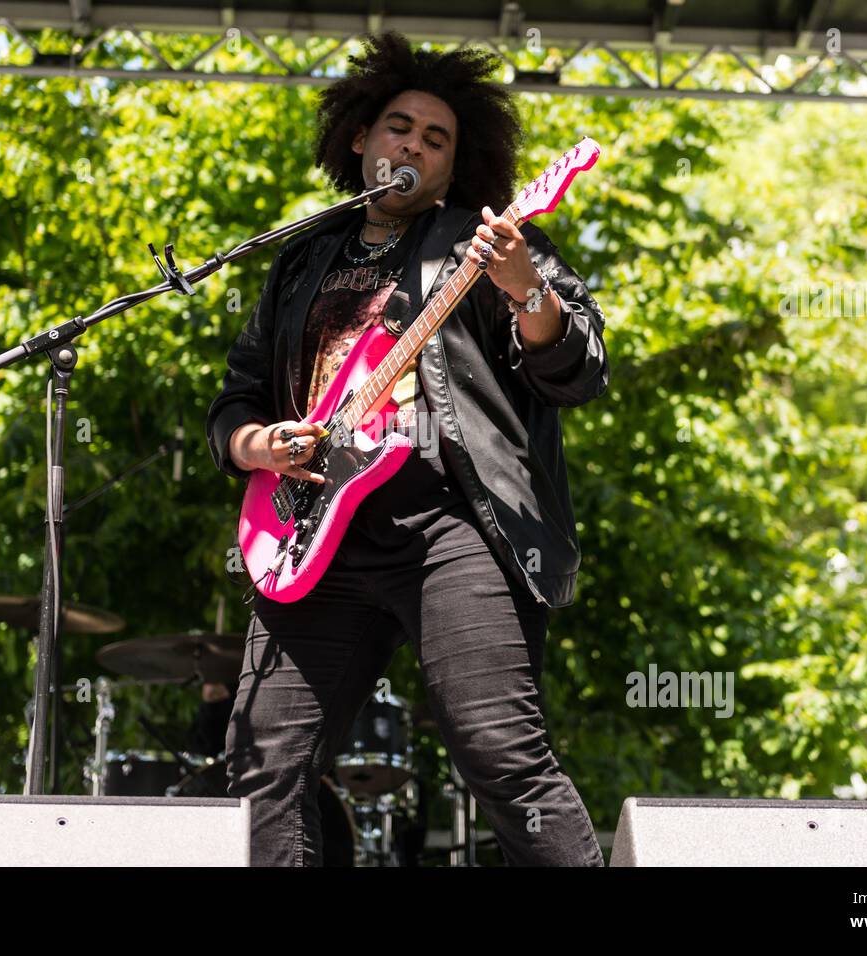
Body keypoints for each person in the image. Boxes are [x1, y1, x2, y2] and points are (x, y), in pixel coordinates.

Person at [205, 31, 610, 866]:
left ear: (455, 166)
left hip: (452, 530)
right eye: (399, 128)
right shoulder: (301, 261)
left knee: (500, 755)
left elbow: (578, 370)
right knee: (259, 767)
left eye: (436, 140)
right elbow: (237, 399)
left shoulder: (485, 246)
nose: (413, 146)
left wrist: (523, 287)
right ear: (359, 138)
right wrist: (259, 445)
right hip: (313, 534)